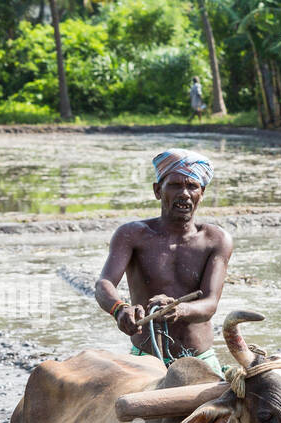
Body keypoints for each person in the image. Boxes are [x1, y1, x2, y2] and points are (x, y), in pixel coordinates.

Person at [95, 148, 233, 375]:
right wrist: (120, 310)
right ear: (158, 190)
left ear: (202, 193)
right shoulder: (132, 234)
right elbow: (104, 284)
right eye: (175, 185)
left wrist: (179, 309)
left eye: (192, 186)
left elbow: (210, 304)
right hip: (146, 359)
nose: (185, 194)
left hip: (199, 358)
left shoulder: (216, 240)